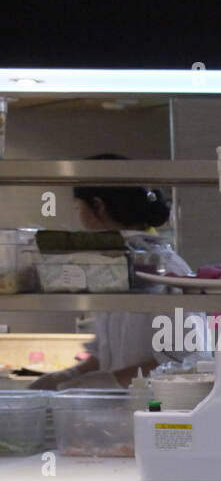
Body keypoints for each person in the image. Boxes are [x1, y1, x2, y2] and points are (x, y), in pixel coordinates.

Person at [31, 154, 193, 390]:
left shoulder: (167, 271)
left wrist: (105, 382)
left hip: (156, 411)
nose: (78, 217)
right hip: (114, 411)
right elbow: (108, 354)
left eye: (78, 208)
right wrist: (67, 376)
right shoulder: (110, 267)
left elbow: (183, 360)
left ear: (98, 206)